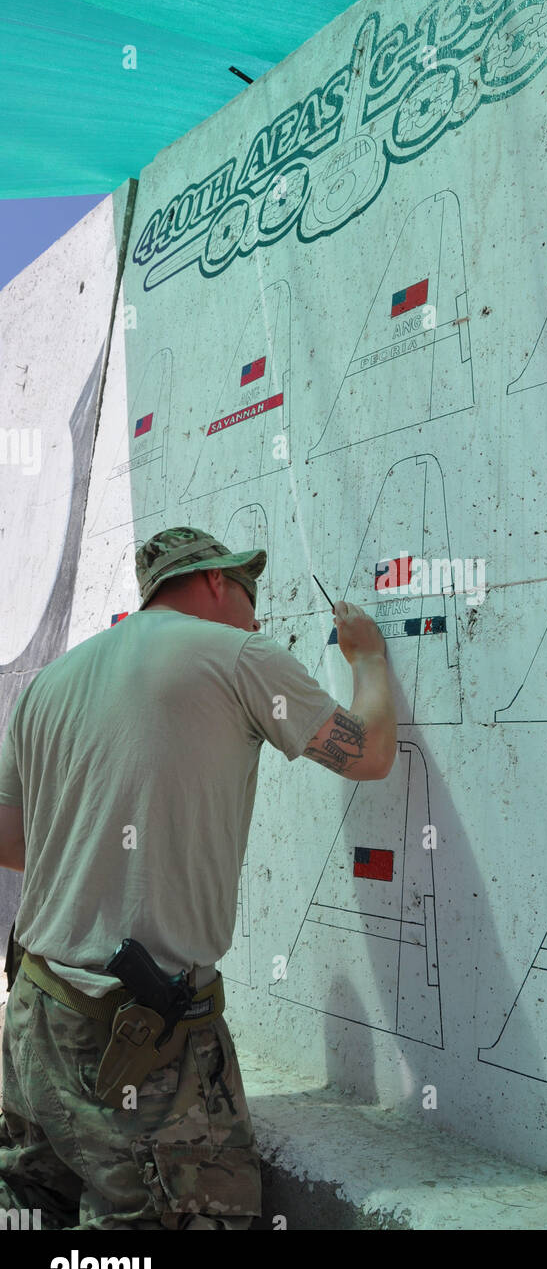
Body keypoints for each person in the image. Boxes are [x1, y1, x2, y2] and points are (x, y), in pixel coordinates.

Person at [0, 525, 396, 1229]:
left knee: (32, 1207)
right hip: (134, 1036)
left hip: (36, 1018)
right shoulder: (240, 655)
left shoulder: (52, 681)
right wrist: (367, 661)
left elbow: (7, 838)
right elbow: (365, 754)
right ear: (217, 580)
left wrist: (100, 858)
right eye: (252, 596)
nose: (259, 616)